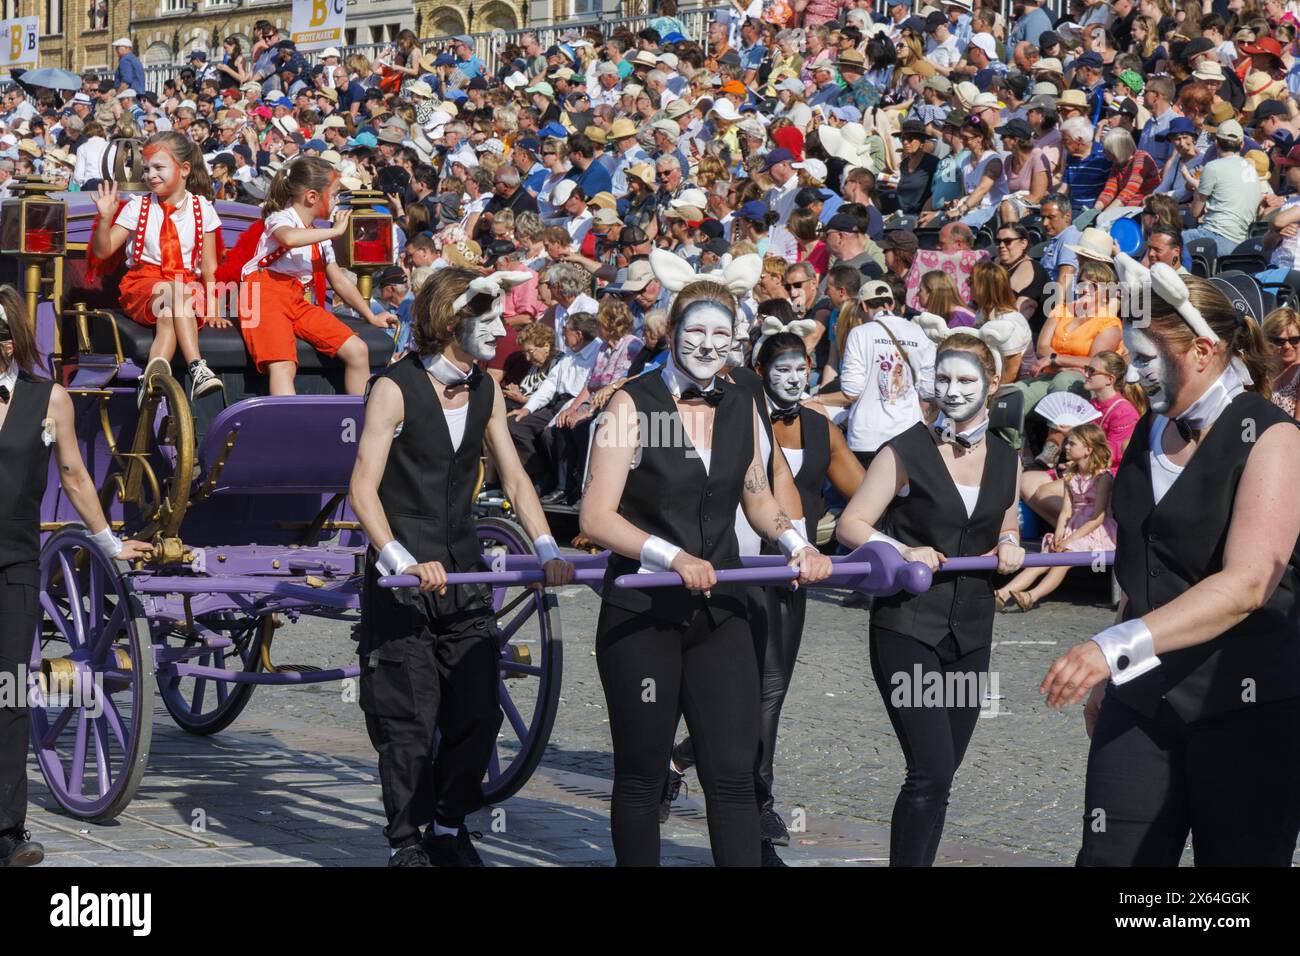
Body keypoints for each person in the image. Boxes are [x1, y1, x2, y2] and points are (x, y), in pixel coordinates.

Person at [1041, 261, 1300, 867]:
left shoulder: (1273, 436)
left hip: (1249, 708)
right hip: (1144, 699)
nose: (1134, 374)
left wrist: (1112, 649)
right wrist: (1116, 659)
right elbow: (1146, 566)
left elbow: (1248, 583)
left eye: (1147, 359)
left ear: (1205, 351)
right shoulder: (1149, 431)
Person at [578, 253, 832, 867]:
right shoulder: (630, 404)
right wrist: (673, 557)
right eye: (696, 332)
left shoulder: (744, 402)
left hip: (722, 611)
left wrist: (798, 544)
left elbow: (758, 494)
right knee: (641, 774)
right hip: (643, 612)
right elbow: (596, 517)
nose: (709, 345)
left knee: (731, 772)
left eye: (723, 335)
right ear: (672, 332)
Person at [348, 267, 575, 867]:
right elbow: (362, 491)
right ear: (453, 321)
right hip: (400, 576)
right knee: (409, 721)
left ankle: (449, 823)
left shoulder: (486, 390)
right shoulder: (394, 388)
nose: (502, 332)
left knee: (476, 709)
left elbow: (516, 475)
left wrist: (547, 547)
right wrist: (397, 559)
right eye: (491, 320)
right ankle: (408, 842)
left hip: (464, 566)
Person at [838, 332, 1025, 866]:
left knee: (944, 777)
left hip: (972, 631)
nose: (952, 390)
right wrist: (904, 548)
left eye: (966, 380)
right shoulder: (906, 449)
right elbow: (852, 525)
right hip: (907, 627)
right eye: (943, 378)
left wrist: (1011, 542)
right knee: (930, 768)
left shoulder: (1008, 457)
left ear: (992, 386)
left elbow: (1004, 519)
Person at [0, 288, 153, 868]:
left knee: (10, 692)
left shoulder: (51, 399)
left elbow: (74, 475)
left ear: (10, 342)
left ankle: (7, 830)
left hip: (13, 561)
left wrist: (109, 541)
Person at [238, 157, 399, 395]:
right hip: (264, 295)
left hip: (298, 301)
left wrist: (370, 316)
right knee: (283, 366)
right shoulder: (280, 218)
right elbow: (289, 238)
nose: (336, 201)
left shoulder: (318, 236)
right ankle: (289, 428)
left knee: (358, 350)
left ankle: (363, 422)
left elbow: (340, 281)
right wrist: (334, 231)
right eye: (334, 194)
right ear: (312, 197)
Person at [89, 131, 227, 401]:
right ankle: (198, 367)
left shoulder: (203, 208)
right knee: (173, 292)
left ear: (184, 169)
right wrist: (105, 218)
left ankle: (150, 384)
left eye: (159, 167)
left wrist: (214, 308)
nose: (150, 175)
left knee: (169, 312)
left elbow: (210, 268)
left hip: (185, 291)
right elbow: (104, 251)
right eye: (147, 169)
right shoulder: (137, 207)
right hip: (144, 286)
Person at [996, 423, 1116, 611]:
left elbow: (1098, 517)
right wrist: (1060, 533)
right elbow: (1066, 511)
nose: (1066, 447)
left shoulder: (1103, 477)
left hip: (1096, 532)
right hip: (1073, 527)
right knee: (1047, 556)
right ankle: (1003, 594)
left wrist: (1071, 538)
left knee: (1063, 559)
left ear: (1088, 450)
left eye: (1072, 444)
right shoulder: (1070, 476)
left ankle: (1031, 596)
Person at [818, 279, 937, 468]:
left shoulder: (859, 333)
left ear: (864, 306)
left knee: (867, 495)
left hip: (868, 437)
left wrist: (818, 400)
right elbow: (929, 390)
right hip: (910, 434)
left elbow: (851, 391)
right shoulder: (920, 333)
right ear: (891, 304)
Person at [1263, 306, 1300, 419]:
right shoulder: (1264, 371)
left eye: (1294, 339)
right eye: (1280, 341)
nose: (1287, 346)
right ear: (1268, 341)